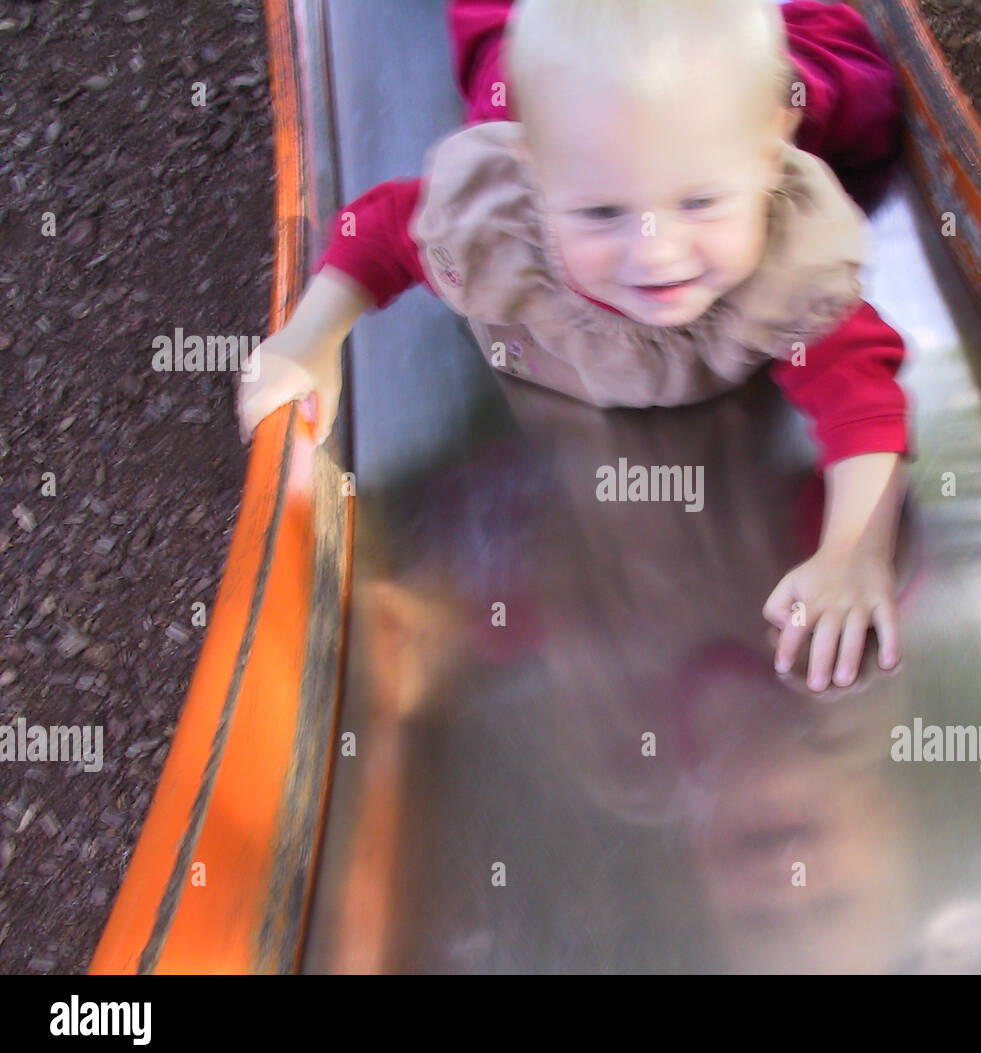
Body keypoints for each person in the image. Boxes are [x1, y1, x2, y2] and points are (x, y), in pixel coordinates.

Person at [238, 0, 913, 691]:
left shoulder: (789, 270)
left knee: (851, 96)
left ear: (770, 159)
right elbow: (379, 230)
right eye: (601, 212)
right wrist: (311, 335)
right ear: (534, 175)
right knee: (497, 53)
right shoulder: (496, 226)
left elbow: (863, 405)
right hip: (532, 99)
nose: (655, 254)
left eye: (700, 202)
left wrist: (854, 551)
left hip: (746, 104)